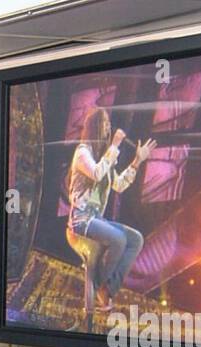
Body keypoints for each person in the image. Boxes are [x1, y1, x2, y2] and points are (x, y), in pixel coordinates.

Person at [67, 106, 156, 311]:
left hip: (96, 218)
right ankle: (97, 286)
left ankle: (107, 287)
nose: (108, 129)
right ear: (95, 127)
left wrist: (137, 161)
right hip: (80, 220)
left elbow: (119, 185)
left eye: (109, 124)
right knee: (118, 239)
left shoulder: (103, 157)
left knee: (135, 239)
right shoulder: (82, 153)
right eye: (105, 124)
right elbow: (97, 174)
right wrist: (114, 146)